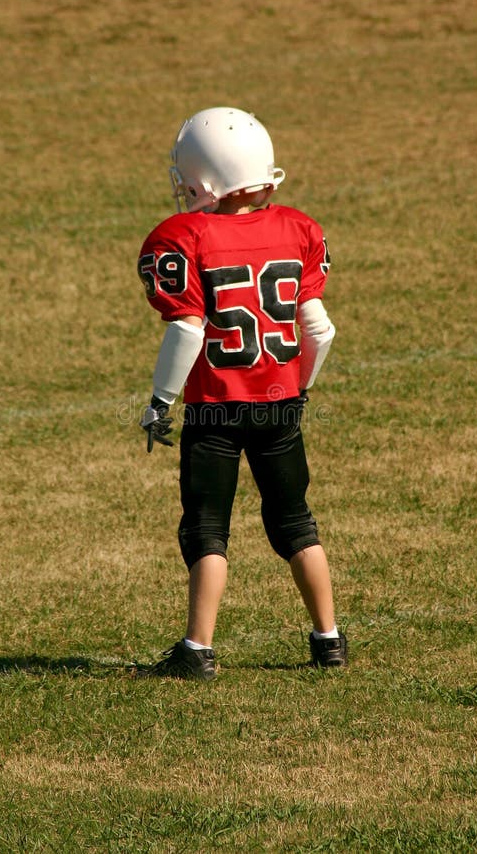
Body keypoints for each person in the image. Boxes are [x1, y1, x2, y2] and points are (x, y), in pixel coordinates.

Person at [136, 107, 346, 680]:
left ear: (204, 177)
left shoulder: (184, 237)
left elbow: (186, 328)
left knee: (206, 527)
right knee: (295, 520)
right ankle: (328, 638)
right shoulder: (298, 229)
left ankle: (197, 650)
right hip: (279, 405)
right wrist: (298, 386)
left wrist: (159, 402)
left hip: (216, 411)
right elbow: (319, 331)